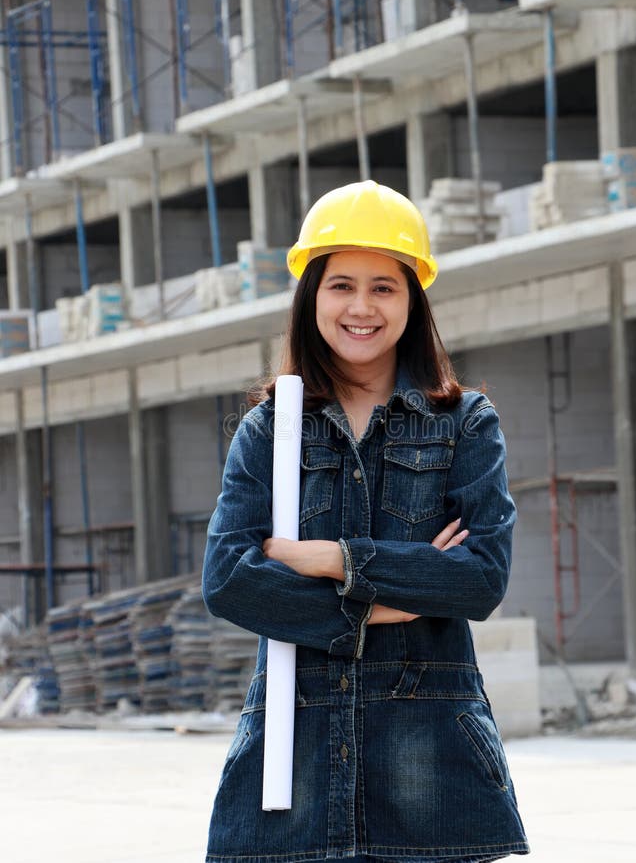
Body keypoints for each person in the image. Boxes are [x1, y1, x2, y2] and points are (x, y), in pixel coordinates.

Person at [202, 180, 530, 863]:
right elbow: (230, 580)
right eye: (341, 284)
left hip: (430, 769)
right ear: (310, 297)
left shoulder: (464, 424)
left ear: (414, 300)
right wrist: (389, 604)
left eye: (385, 287)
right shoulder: (270, 431)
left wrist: (333, 560)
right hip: (291, 765)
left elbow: (479, 581)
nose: (361, 307)